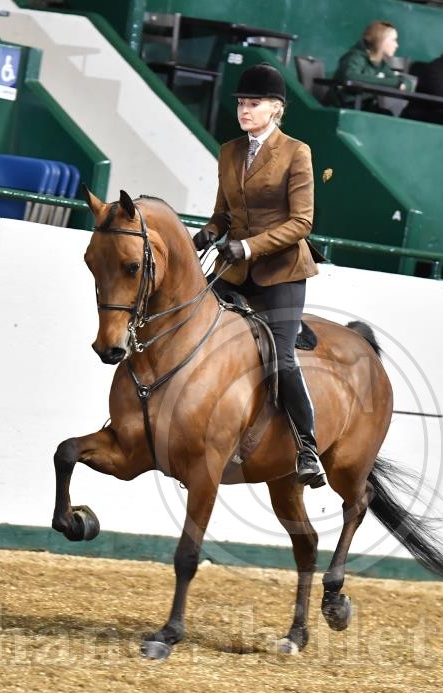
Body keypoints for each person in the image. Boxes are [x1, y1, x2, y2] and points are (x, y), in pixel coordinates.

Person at [191, 64, 326, 489]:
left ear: (276, 109)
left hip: (281, 271)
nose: (244, 111)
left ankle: (307, 447)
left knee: (281, 358)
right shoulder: (229, 151)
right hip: (233, 266)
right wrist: (210, 233)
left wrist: (248, 246)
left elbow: (302, 223)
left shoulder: (296, 152)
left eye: (254, 104)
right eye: (242, 104)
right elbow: (224, 212)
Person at [326, 20, 415, 113]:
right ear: (381, 40)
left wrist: (403, 83)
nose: (396, 45)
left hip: (363, 108)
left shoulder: (380, 63)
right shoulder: (355, 56)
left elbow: (403, 83)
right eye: (393, 40)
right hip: (341, 108)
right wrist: (395, 83)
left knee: (386, 114)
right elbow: (350, 77)